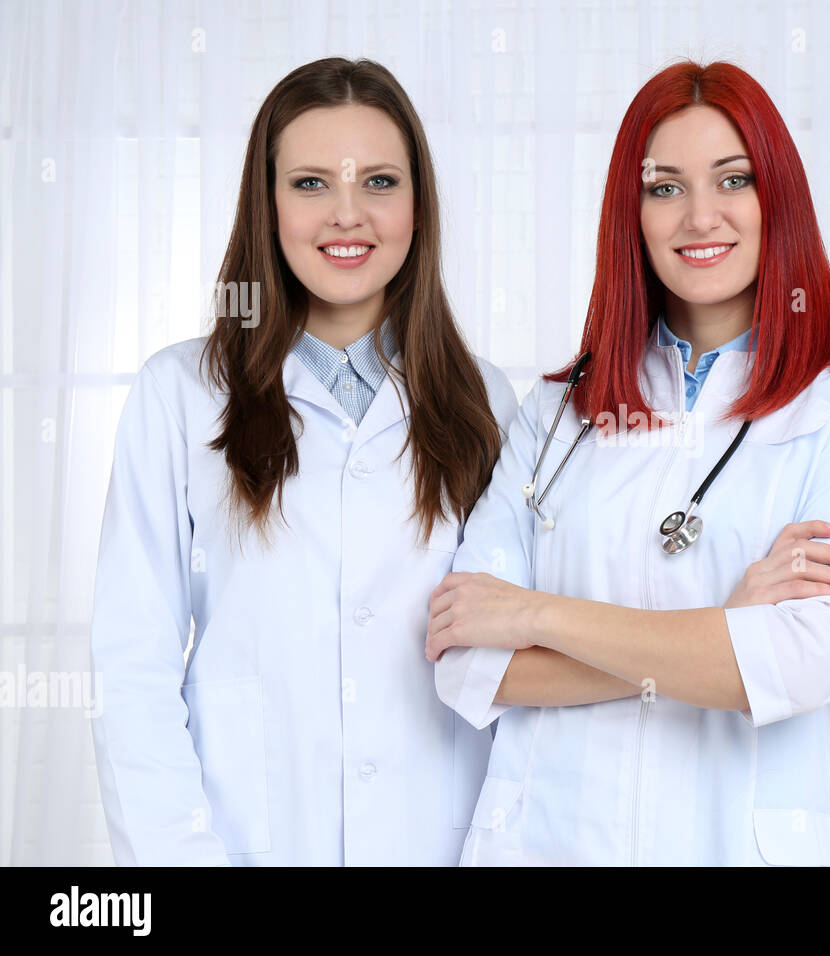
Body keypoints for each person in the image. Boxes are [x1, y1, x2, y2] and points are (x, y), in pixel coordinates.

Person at [429, 60, 830, 866]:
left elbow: (796, 662)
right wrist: (722, 626)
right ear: (633, 214)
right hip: (552, 840)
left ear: (776, 199)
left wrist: (537, 615)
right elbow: (467, 659)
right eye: (664, 187)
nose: (699, 216)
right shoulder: (557, 413)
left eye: (733, 180)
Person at [89, 57, 517, 865]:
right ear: (268, 202)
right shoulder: (178, 395)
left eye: (381, 183)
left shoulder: (485, 403)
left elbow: (516, 661)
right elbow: (131, 670)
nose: (347, 216)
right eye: (312, 183)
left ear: (419, 208)